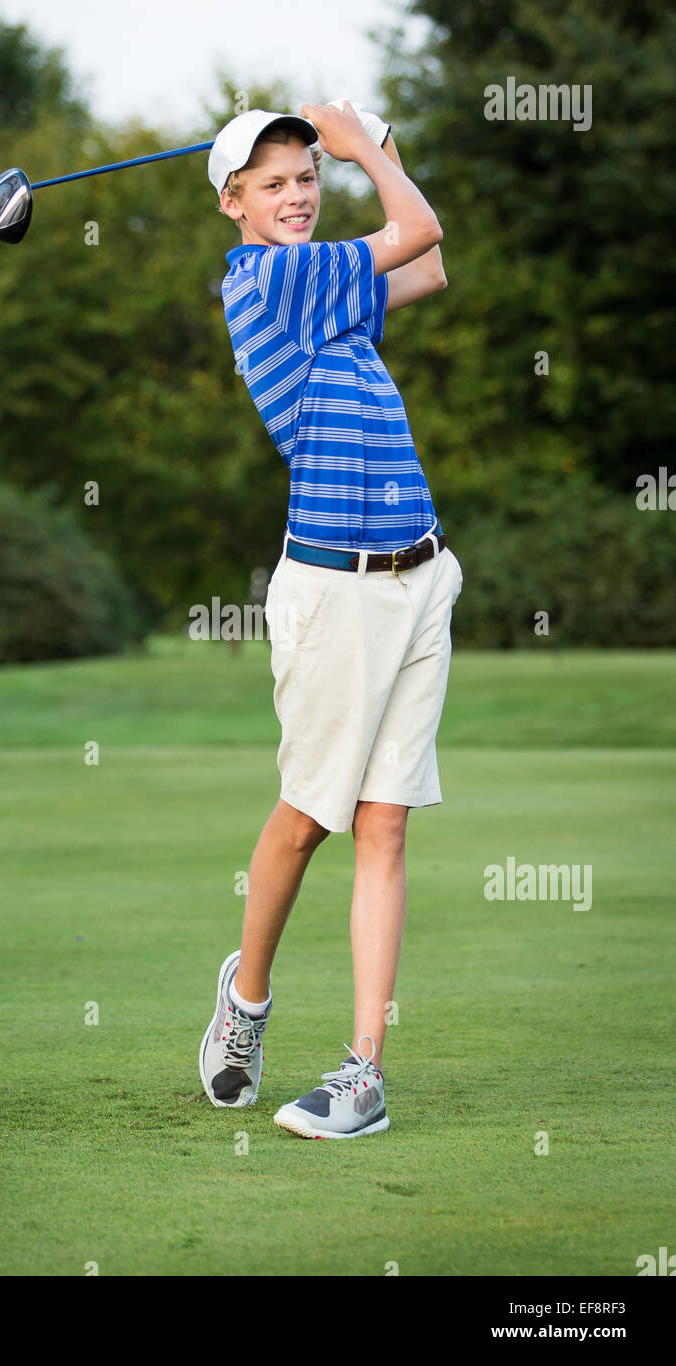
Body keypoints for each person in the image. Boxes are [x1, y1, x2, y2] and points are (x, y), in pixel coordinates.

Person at [198, 101, 463, 1139]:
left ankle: (362, 1073)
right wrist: (361, 147)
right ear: (231, 205)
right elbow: (417, 233)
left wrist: (378, 146)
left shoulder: (333, 300)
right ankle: (246, 1001)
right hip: (333, 591)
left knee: (384, 825)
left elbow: (426, 272)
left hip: (418, 571)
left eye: (305, 175)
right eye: (271, 184)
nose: (298, 194)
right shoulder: (269, 279)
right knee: (308, 819)